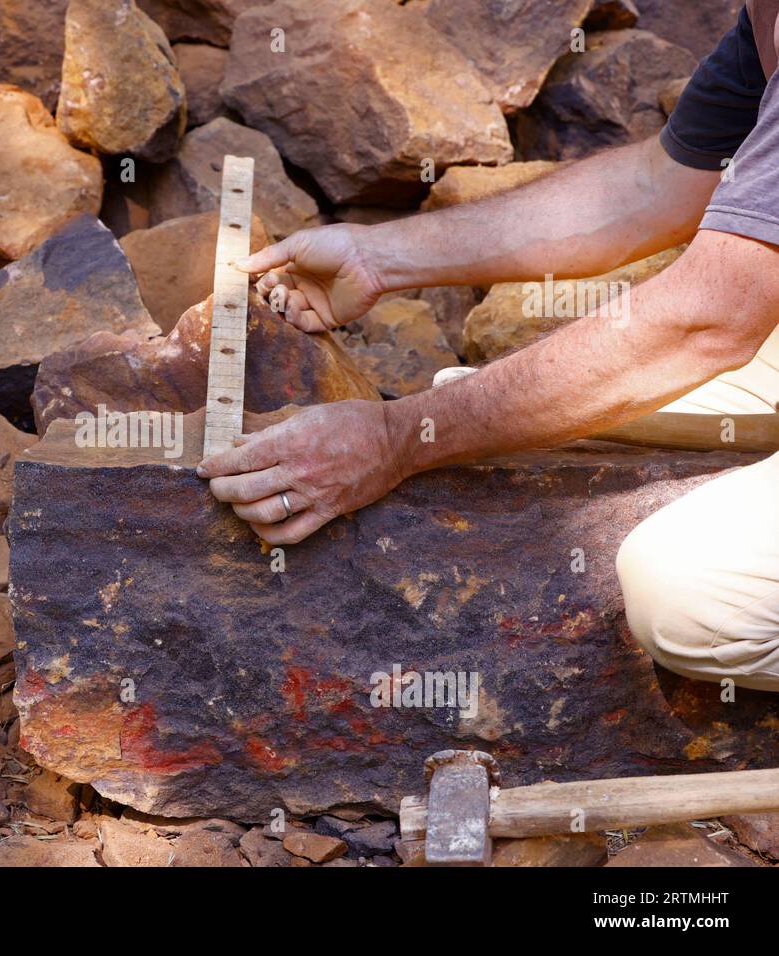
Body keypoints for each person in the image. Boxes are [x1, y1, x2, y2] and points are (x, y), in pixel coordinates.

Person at [198, 2, 779, 691]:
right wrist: (379, 257)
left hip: (723, 314)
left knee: (689, 595)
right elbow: (658, 185)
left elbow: (709, 316)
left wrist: (394, 440)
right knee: (475, 405)